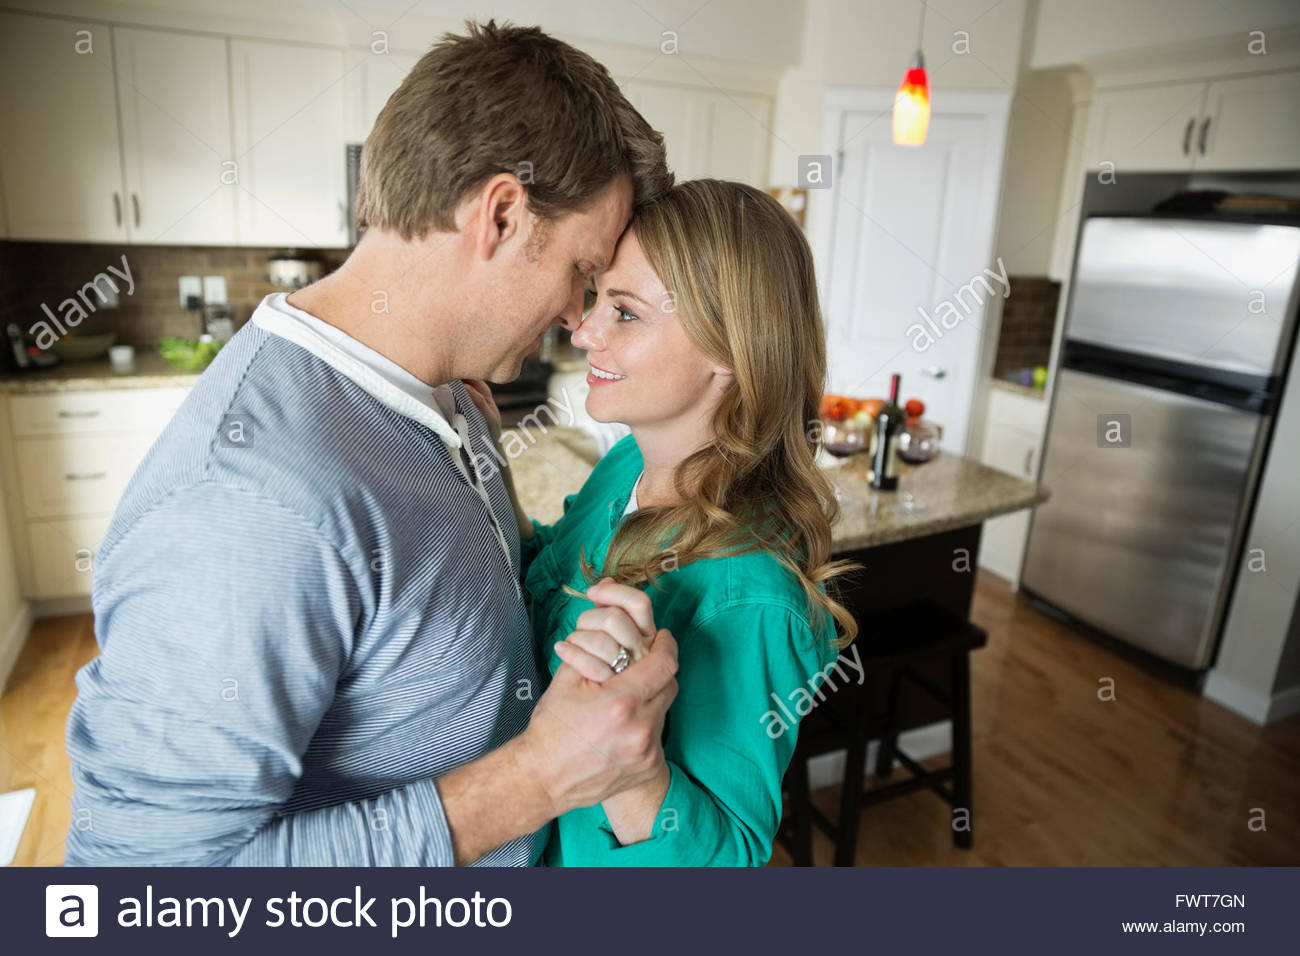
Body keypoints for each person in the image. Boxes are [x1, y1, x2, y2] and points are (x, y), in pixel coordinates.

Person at [62, 21, 679, 867]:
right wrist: (536, 781)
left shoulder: (441, 393)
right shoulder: (245, 504)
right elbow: (146, 894)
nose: (579, 318)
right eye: (582, 271)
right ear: (501, 213)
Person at [493, 179, 862, 865]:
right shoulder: (629, 461)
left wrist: (635, 768)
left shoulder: (749, 596)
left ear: (730, 350)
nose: (585, 329)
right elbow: (549, 569)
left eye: (625, 314)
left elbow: (728, 862)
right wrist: (486, 460)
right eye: (598, 296)